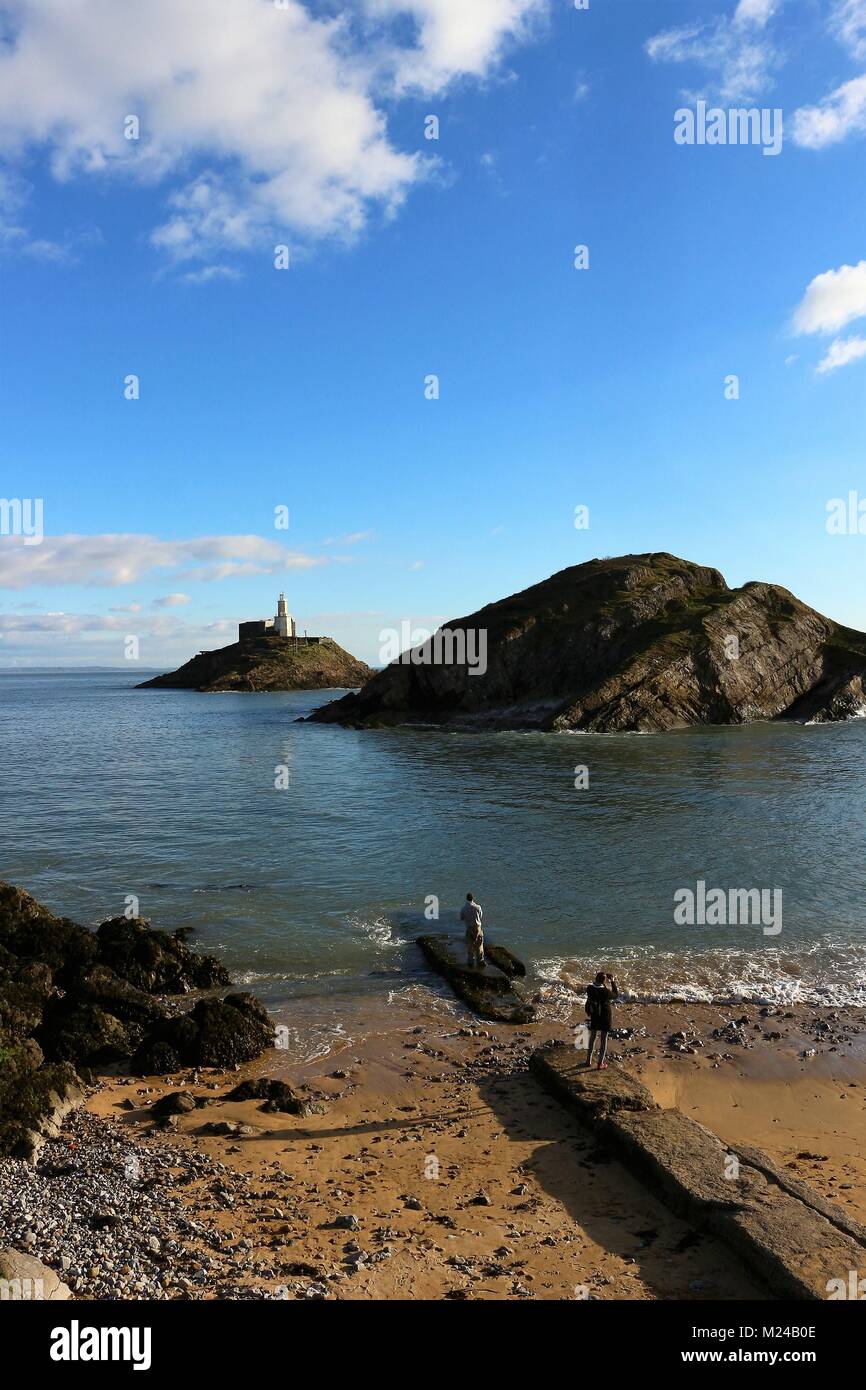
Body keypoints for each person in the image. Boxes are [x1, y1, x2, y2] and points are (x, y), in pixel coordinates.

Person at [584, 970, 618, 1069]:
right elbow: (615, 995)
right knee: (603, 1039)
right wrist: (612, 981)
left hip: (595, 1015)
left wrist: (602, 981)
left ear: (595, 978)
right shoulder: (606, 992)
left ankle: (588, 1061)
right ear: (604, 981)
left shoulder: (589, 988)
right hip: (605, 1016)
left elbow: (597, 988)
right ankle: (600, 1063)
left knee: (592, 1037)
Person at [459, 892, 485, 969]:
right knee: (479, 945)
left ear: (466, 899)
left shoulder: (463, 908)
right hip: (478, 928)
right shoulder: (478, 907)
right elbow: (480, 916)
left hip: (469, 928)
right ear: (473, 898)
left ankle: (471, 962)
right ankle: (480, 961)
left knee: (470, 945)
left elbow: (461, 918)